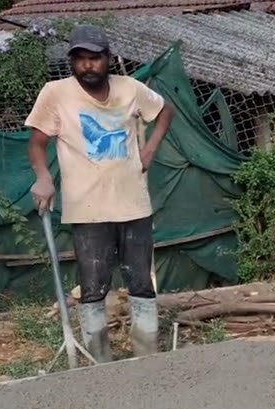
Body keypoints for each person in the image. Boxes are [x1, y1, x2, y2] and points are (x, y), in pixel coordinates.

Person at [26, 24, 175, 362]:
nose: (87, 66)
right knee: (92, 287)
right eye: (80, 59)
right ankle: (98, 363)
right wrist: (43, 177)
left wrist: (150, 148)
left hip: (133, 204)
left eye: (94, 58)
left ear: (107, 59)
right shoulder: (56, 93)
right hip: (87, 208)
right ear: (72, 63)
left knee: (141, 282)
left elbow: (165, 110)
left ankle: (147, 356)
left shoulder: (130, 88)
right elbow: (37, 142)